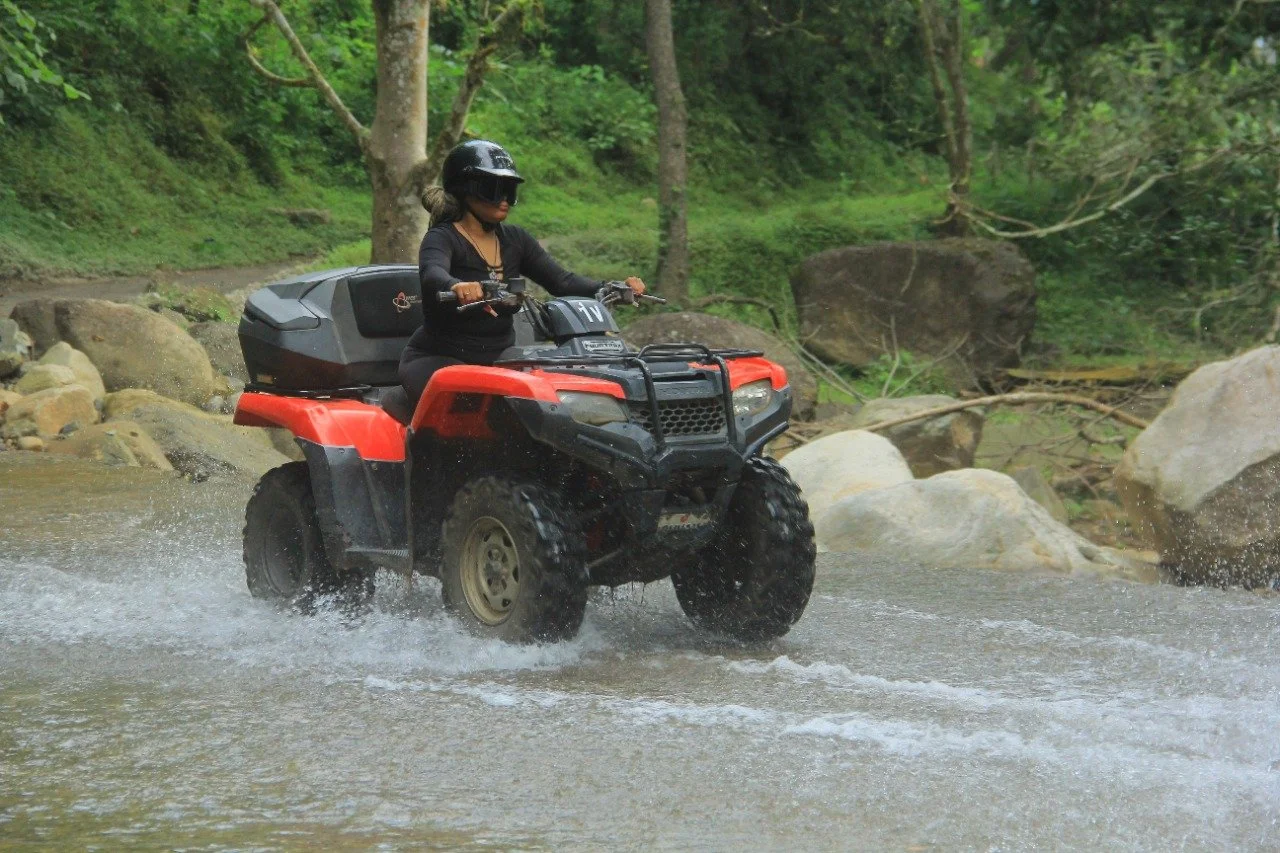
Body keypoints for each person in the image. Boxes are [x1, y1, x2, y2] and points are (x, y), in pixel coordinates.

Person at [400, 139, 646, 404]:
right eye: (495, 189)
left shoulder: (515, 240)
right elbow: (432, 274)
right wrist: (455, 286)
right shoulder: (442, 238)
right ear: (466, 190)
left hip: (501, 360)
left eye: (509, 190)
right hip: (438, 361)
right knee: (471, 412)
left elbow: (561, 281)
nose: (505, 199)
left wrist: (611, 288)